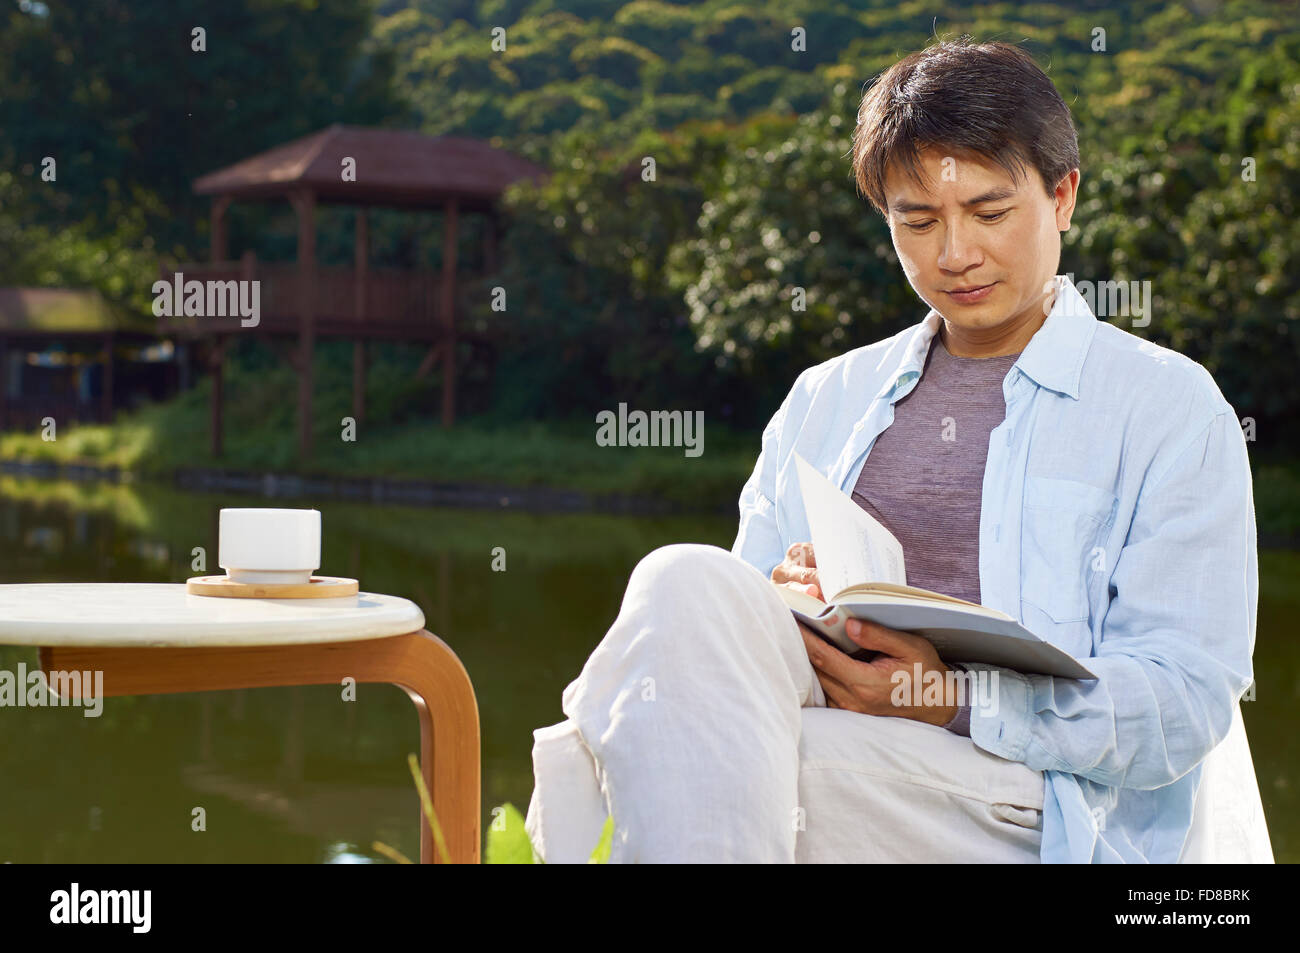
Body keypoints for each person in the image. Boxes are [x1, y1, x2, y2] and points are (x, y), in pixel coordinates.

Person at [525, 37, 1263, 863]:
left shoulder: (1166, 406)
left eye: (988, 213)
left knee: (651, 750)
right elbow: (715, 647)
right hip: (829, 730)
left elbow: (1183, 700)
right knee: (682, 579)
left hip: (1027, 796)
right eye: (918, 220)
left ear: (1062, 197)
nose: (954, 255)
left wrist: (946, 699)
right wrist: (778, 596)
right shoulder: (826, 397)